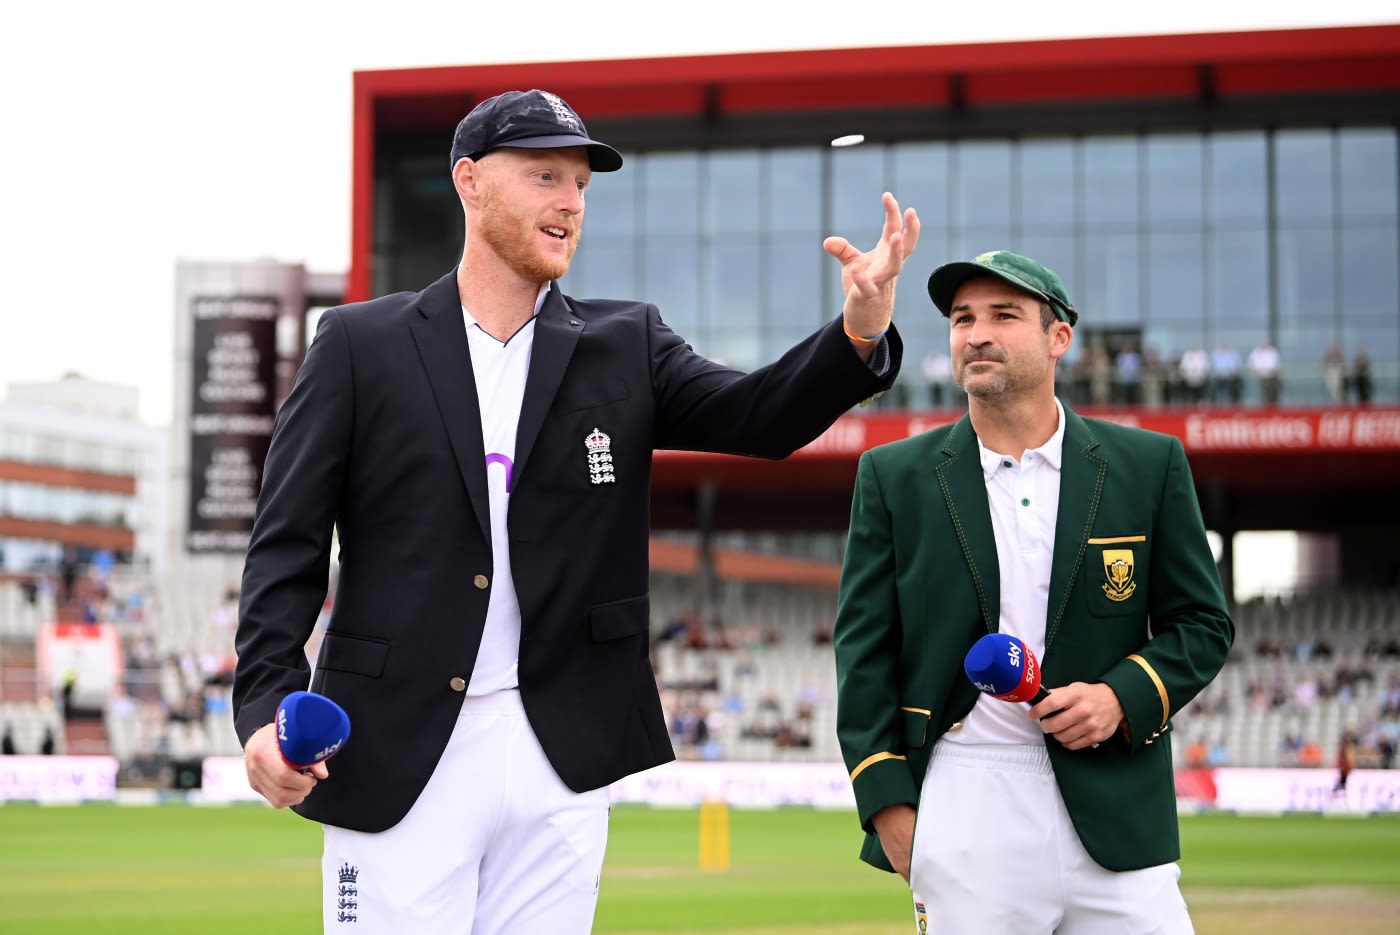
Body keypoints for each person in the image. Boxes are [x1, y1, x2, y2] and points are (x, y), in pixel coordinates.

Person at [233, 88, 920, 934]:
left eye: (582, 185)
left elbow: (761, 417)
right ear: (470, 182)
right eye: (546, 177)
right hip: (395, 744)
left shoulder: (627, 343)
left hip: (559, 753)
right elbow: (287, 544)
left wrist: (858, 331)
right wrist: (263, 705)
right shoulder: (358, 344)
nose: (571, 202)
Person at [832, 250, 1233, 933]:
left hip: (1117, 798)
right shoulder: (892, 476)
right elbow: (862, 651)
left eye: (1004, 316)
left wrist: (1120, 697)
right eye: (963, 319)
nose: (977, 334)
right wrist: (886, 801)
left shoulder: (1148, 464)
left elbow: (1202, 623)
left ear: (1059, 337)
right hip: (966, 797)